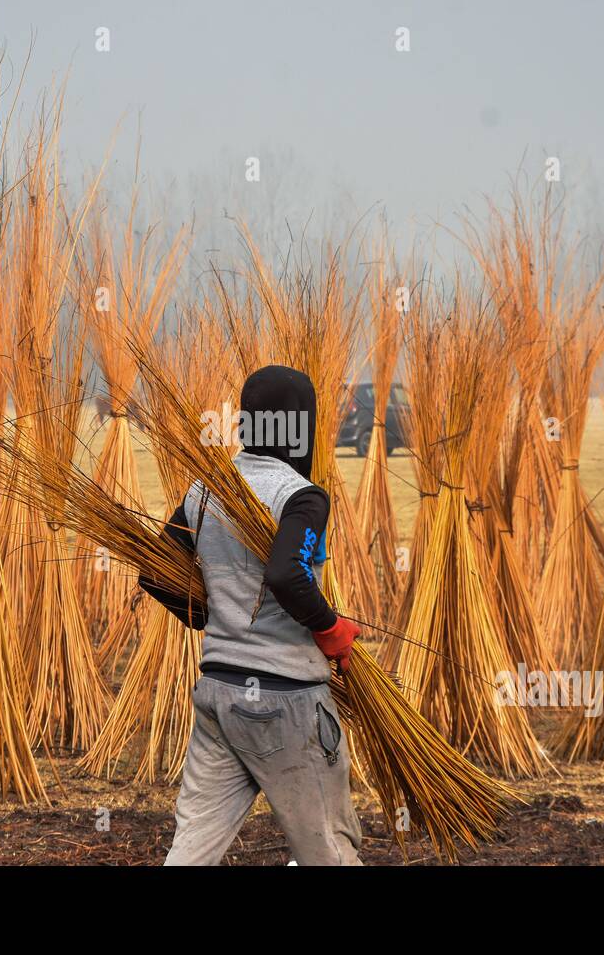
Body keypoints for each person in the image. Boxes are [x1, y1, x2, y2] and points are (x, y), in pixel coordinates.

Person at [139, 364, 363, 866]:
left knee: (191, 851)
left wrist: (210, 617)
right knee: (329, 848)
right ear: (301, 424)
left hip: (218, 696)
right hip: (286, 701)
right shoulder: (300, 497)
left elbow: (155, 573)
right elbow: (287, 574)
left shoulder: (205, 489)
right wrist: (330, 629)